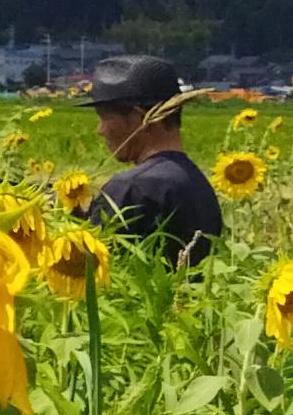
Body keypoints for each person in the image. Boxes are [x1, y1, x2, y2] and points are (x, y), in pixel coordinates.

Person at [71, 54, 223, 267]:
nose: (100, 130)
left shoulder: (131, 188)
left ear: (140, 116)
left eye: (104, 117)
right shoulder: (197, 183)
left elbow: (91, 271)